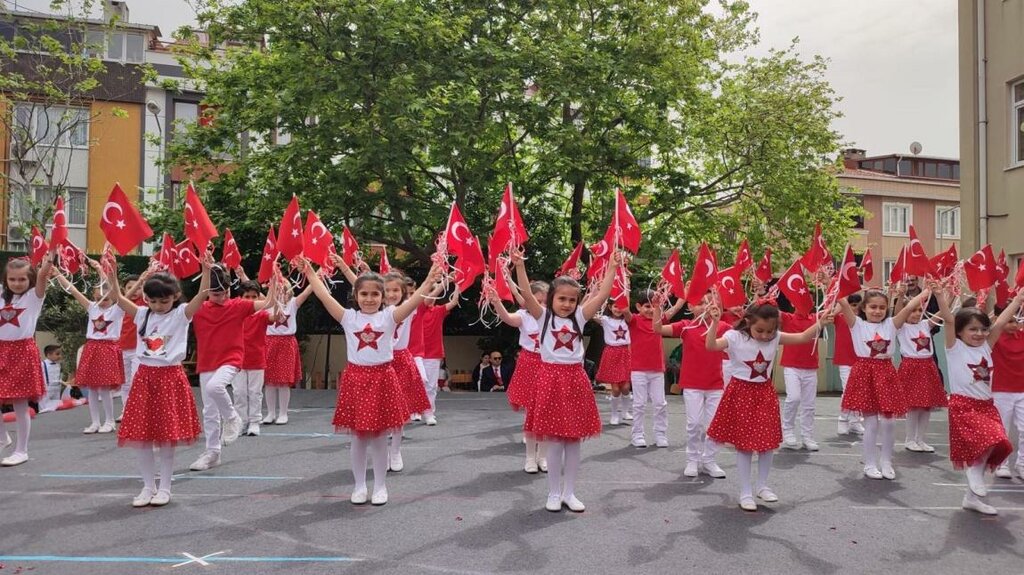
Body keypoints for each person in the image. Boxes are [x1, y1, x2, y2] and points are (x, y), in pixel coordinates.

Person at [302, 257, 440, 506]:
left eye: (375, 294)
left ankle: (379, 486)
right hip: (356, 380)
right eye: (363, 294)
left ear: (383, 297)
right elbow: (324, 296)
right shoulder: (348, 318)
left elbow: (416, 300)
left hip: (383, 379)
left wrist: (430, 279)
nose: (369, 298)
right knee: (358, 438)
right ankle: (358, 486)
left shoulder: (389, 316)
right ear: (356, 295)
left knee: (378, 438)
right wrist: (310, 273)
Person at [514, 250, 619, 513]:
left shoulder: (580, 318)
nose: (567, 304)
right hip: (550, 379)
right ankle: (552, 493)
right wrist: (519, 266)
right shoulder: (542, 317)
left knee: (573, 441)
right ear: (551, 299)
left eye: (572, 300)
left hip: (574, 381)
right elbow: (527, 293)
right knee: (555, 441)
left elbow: (603, 294)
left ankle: (569, 493)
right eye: (561, 298)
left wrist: (613, 269)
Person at [706, 301, 830, 511]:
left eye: (770, 331)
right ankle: (745, 492)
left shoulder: (776, 337)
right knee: (745, 447)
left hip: (764, 393)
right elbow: (711, 346)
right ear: (747, 322)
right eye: (759, 330)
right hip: (741, 393)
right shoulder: (734, 337)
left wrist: (821, 322)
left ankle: (762, 486)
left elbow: (801, 337)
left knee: (767, 444)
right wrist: (714, 323)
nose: (765, 336)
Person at [105, 256, 207, 507]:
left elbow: (202, 296)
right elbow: (118, 298)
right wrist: (112, 274)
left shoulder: (182, 315)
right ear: (145, 299)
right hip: (145, 378)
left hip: (169, 378)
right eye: (152, 301)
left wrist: (206, 269)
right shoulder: (141, 314)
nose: (158, 306)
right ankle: (147, 486)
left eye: (164, 300)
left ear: (175, 296)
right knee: (142, 437)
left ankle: (165, 487)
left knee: (165, 437)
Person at [937, 285, 1020, 515]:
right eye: (973, 329)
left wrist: (1019, 299)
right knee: (988, 439)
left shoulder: (986, 346)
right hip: (964, 405)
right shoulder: (954, 348)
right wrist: (938, 296)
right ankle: (974, 474)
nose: (979, 334)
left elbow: (1001, 322)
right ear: (960, 332)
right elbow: (948, 320)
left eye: (984, 329)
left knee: (1000, 443)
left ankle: (971, 498)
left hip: (986, 405)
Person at [189, 263, 277, 472]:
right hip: (207, 361)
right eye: (216, 294)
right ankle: (212, 453)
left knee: (214, 387)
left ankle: (233, 418)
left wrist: (273, 284)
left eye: (225, 292)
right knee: (209, 410)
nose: (222, 297)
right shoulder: (198, 309)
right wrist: (205, 269)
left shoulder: (238, 305)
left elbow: (268, 303)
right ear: (207, 292)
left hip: (231, 359)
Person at [837, 288, 924, 480]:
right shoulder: (856, 324)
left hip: (885, 373)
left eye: (882, 307)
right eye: (873, 307)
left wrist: (928, 290)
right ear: (864, 308)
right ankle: (869, 463)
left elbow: (910, 306)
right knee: (871, 423)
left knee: (889, 422)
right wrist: (830, 282)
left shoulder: (892, 324)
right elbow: (842, 301)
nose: (877, 311)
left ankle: (886, 461)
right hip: (864, 373)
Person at [654, 291, 729, 477]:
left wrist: (717, 320)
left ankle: (709, 460)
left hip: (715, 384)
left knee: (713, 426)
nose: (704, 307)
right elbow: (658, 329)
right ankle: (692, 460)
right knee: (694, 423)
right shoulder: (686, 327)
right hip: (693, 384)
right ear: (690, 307)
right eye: (700, 303)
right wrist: (657, 308)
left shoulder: (724, 327)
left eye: (708, 303)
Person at [54, 262, 125, 434]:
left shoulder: (118, 309)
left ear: (112, 296)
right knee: (92, 388)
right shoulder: (91, 307)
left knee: (105, 388)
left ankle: (109, 421)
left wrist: (104, 272)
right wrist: (57, 273)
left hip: (108, 349)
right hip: (92, 348)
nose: (101, 301)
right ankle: (94, 422)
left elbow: (116, 289)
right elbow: (73, 290)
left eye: (105, 298)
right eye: (97, 297)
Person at [489, 280, 549, 473]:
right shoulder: (524, 316)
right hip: (529, 364)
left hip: (550, 366)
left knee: (547, 411)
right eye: (537, 300)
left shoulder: (552, 316)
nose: (541, 305)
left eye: (545, 301)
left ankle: (543, 456)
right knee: (531, 412)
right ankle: (530, 457)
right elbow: (507, 318)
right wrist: (497, 302)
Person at [0, 252, 54, 466]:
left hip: (22, 351)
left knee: (20, 403)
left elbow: (42, 277)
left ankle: (22, 450)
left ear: (30, 279)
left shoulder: (34, 296)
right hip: (1, 350)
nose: (17, 283)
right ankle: (3, 437)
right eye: (12, 279)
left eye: (22, 279)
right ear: (6, 279)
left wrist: (48, 263)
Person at [380, 270, 433, 472]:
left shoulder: (408, 308)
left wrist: (431, 276)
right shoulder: (376, 310)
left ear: (403, 292)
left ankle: (395, 451)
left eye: (396, 290)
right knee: (383, 410)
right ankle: (383, 452)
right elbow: (360, 284)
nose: (392, 294)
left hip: (401, 361)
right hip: (381, 363)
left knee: (400, 411)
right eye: (387, 290)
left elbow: (422, 292)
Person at [893, 283, 947, 453]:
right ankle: (909, 439)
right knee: (913, 406)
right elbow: (897, 313)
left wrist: (948, 294)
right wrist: (901, 297)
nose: (916, 314)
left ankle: (920, 439)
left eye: (918, 311)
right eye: (912, 311)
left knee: (926, 406)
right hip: (911, 367)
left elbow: (943, 313)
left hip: (927, 367)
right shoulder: (901, 327)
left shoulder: (925, 325)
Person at [628, 291, 685, 447]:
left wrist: (683, 294)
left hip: (657, 370)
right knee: (639, 404)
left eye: (653, 306)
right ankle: (637, 434)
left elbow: (676, 308)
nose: (650, 310)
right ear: (638, 307)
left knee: (660, 403)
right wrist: (624, 285)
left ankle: (660, 434)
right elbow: (623, 308)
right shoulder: (633, 320)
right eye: (647, 306)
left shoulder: (658, 319)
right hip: (638, 369)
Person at [260, 273, 313, 426]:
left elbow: (308, 290)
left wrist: (317, 275)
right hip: (269, 342)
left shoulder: (293, 303)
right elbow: (253, 290)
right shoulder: (267, 303)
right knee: (269, 381)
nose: (280, 292)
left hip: (287, 343)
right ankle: (270, 413)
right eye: (277, 289)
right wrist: (242, 274)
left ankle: (283, 413)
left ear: (289, 290)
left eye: (283, 289)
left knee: (283, 381)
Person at [779, 308, 823, 451]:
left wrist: (837, 288)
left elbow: (834, 309)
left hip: (810, 367)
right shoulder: (788, 318)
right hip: (792, 366)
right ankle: (788, 431)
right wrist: (762, 292)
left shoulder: (816, 317)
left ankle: (807, 436)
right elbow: (769, 309)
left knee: (809, 405)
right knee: (794, 398)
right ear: (792, 302)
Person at [233, 279, 272, 436]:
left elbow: (276, 318)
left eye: (254, 297)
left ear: (259, 298)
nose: (250, 300)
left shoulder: (262, 314)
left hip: (256, 359)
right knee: (239, 392)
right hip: (237, 359)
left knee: (255, 392)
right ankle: (241, 422)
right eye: (246, 296)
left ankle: (255, 421)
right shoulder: (234, 312)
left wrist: (275, 292)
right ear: (240, 297)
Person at [993, 305, 1024, 479]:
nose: (1014, 325)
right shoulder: (994, 338)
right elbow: (997, 324)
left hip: (1022, 391)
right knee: (1002, 430)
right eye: (1009, 321)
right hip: (1001, 391)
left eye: (1017, 320)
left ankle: (1021, 464)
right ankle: (1001, 463)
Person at [419, 289, 459, 425]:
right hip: (415, 352)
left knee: (431, 385)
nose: (433, 297)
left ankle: (429, 413)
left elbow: (454, 302)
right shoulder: (415, 311)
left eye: (435, 294)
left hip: (433, 353)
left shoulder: (438, 311)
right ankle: (414, 411)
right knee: (416, 383)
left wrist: (458, 284)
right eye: (430, 294)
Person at [594, 302, 632, 426]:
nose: (618, 309)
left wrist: (626, 286)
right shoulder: (605, 320)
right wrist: (594, 295)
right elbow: (589, 314)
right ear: (610, 307)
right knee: (615, 389)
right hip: (611, 353)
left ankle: (626, 412)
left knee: (626, 387)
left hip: (624, 353)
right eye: (615, 306)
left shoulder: (627, 320)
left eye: (620, 306)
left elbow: (625, 302)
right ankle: (614, 414)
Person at [115, 274, 145, 422]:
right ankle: (126, 410)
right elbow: (122, 298)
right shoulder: (121, 305)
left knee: (135, 381)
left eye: (138, 287)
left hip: (139, 350)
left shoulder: (144, 303)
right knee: (125, 383)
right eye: (130, 287)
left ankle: (137, 411)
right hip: (122, 348)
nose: (135, 290)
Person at [835, 293, 864, 436]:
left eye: (858, 306)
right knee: (848, 391)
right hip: (845, 360)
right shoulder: (840, 319)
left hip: (861, 361)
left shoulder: (864, 322)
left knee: (859, 392)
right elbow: (832, 311)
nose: (856, 308)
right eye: (853, 305)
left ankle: (855, 421)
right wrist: (843, 296)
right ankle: (843, 419)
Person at [38, 344, 65, 414]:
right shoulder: (42, 364)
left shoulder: (58, 365)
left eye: (60, 354)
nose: (60, 356)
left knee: (57, 407)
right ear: (49, 354)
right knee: (45, 408)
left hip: (56, 388)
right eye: (57, 354)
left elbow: (57, 376)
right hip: (46, 389)